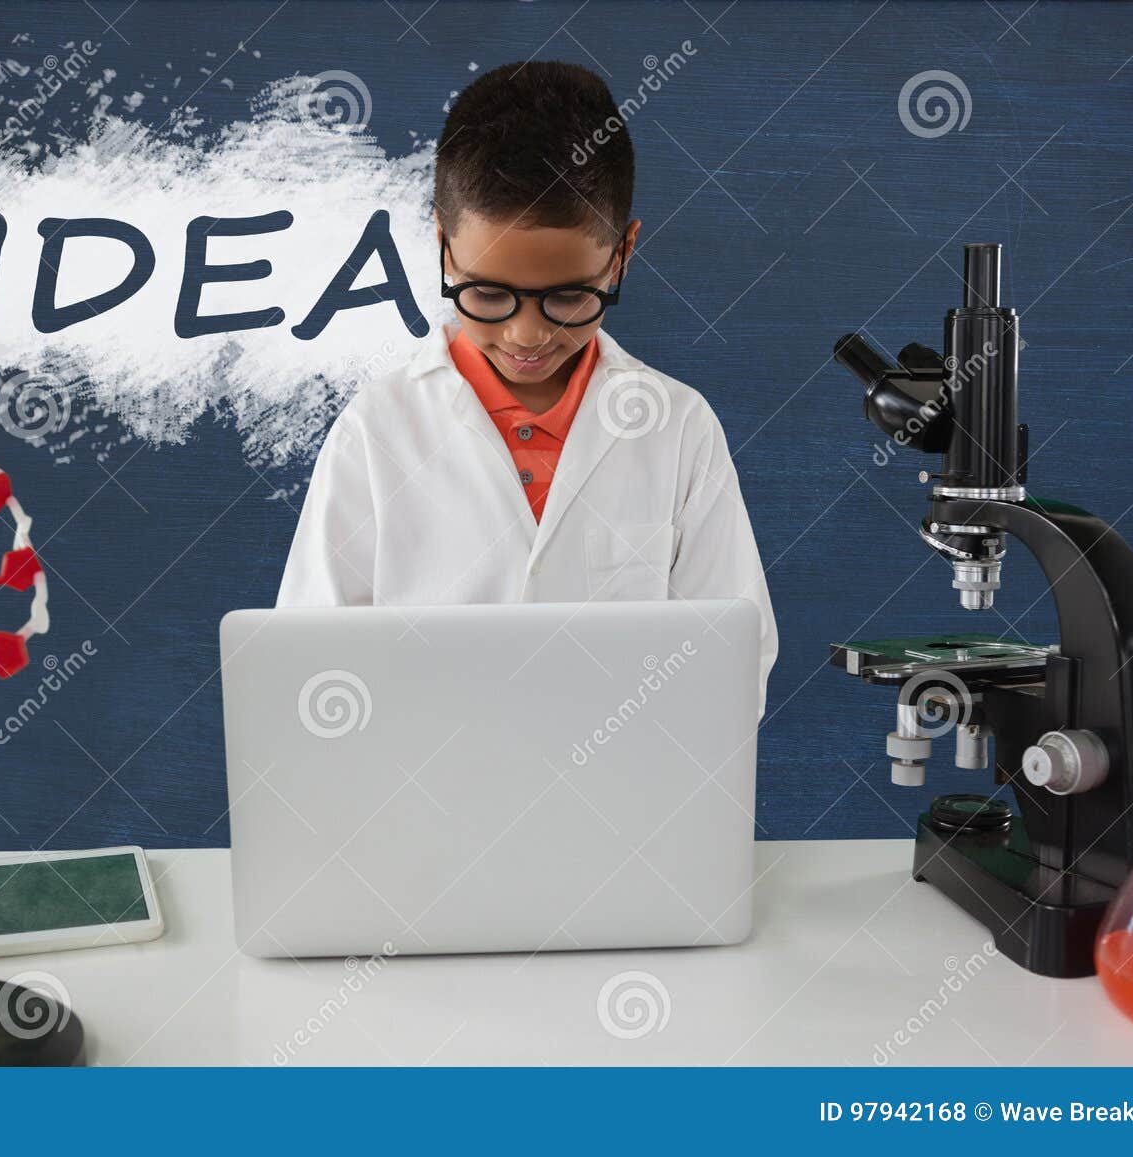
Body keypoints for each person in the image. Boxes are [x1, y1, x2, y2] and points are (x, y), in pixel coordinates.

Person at [278, 60, 777, 702]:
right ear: (441, 246)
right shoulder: (377, 429)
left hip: (624, 794)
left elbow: (733, 659)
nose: (527, 336)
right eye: (487, 293)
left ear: (622, 254)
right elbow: (307, 665)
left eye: (569, 296)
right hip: (420, 797)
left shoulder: (676, 428)